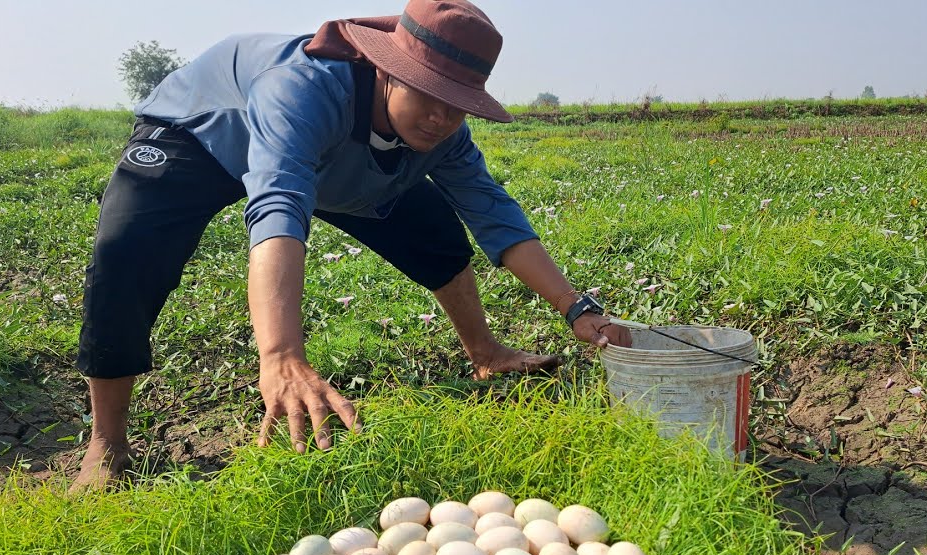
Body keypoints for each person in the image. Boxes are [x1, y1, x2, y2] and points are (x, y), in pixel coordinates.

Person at [69, 0, 630, 495]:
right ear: (389, 69)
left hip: (332, 157)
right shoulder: (303, 89)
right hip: (205, 130)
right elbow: (278, 205)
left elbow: (496, 216)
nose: (442, 116)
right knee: (125, 253)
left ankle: (486, 352)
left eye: (459, 104)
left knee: (434, 231)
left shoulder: (443, 134)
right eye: (430, 94)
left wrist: (576, 308)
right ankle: (107, 442)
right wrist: (282, 356)